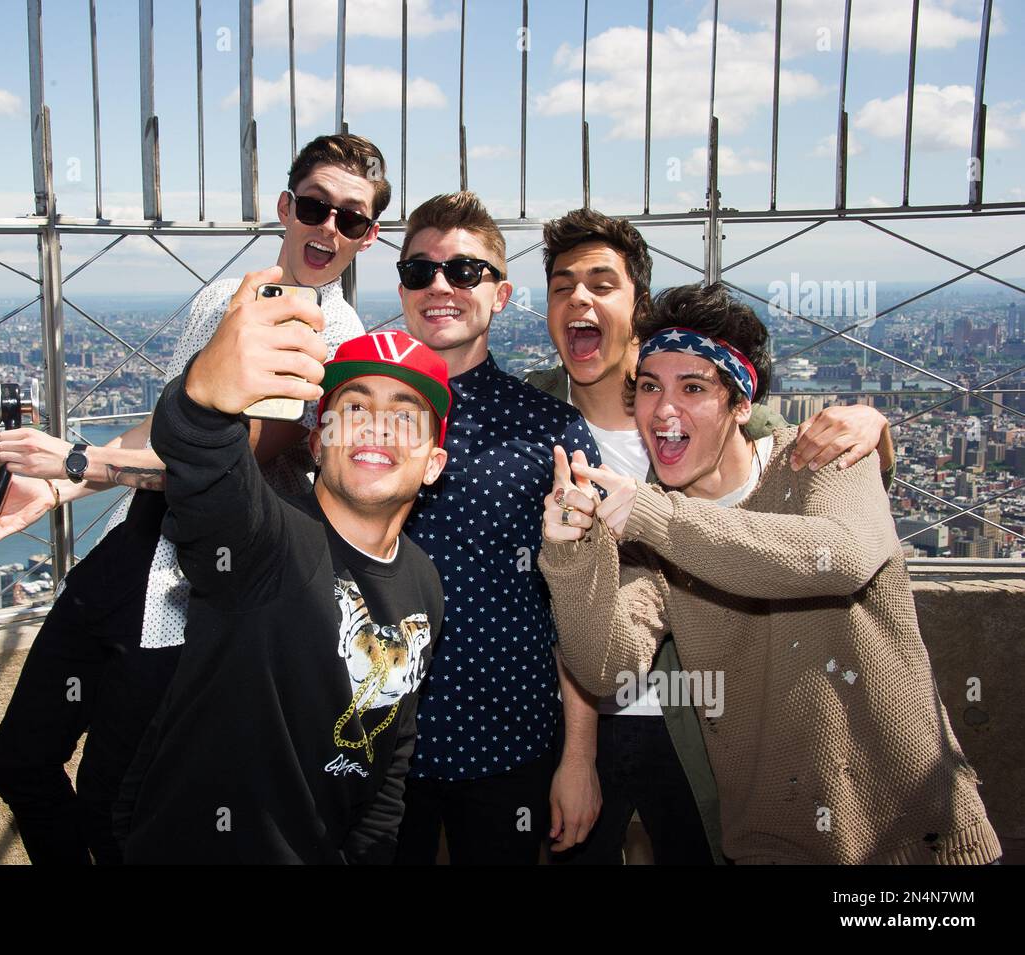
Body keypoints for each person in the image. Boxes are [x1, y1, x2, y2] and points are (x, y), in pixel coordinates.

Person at [0, 133, 388, 863]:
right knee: (19, 759)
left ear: (369, 236)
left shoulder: (337, 340)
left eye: (351, 219)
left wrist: (81, 459)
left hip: (197, 590)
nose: (328, 227)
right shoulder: (228, 299)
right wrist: (60, 483)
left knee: (118, 808)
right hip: (133, 551)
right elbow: (169, 425)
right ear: (284, 207)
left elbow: (219, 470)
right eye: (314, 205)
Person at [539, 282, 1001, 864]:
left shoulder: (822, 459)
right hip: (775, 847)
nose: (665, 409)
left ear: (741, 406)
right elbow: (607, 667)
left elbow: (838, 556)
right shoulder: (655, 536)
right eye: (651, 386)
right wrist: (572, 555)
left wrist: (653, 515)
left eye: (694, 388)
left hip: (918, 838)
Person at [526, 208, 895, 864]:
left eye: (602, 283)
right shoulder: (529, 415)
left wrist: (871, 427)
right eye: (561, 285)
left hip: (704, 721)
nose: (578, 298)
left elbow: (809, 495)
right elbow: (601, 652)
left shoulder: (731, 419)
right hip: (598, 699)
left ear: (637, 307)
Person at [117, 282, 450, 864]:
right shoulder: (263, 543)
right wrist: (203, 395)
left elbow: (392, 750)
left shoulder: (423, 580)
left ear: (433, 464)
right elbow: (204, 459)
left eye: (406, 418)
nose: (376, 428)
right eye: (355, 408)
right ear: (318, 443)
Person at [389, 193, 604, 864]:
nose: (440, 287)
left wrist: (578, 758)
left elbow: (581, 608)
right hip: (375, 745)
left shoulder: (553, 430)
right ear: (401, 287)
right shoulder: (356, 411)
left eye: (465, 271)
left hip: (511, 745)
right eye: (420, 271)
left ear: (502, 293)